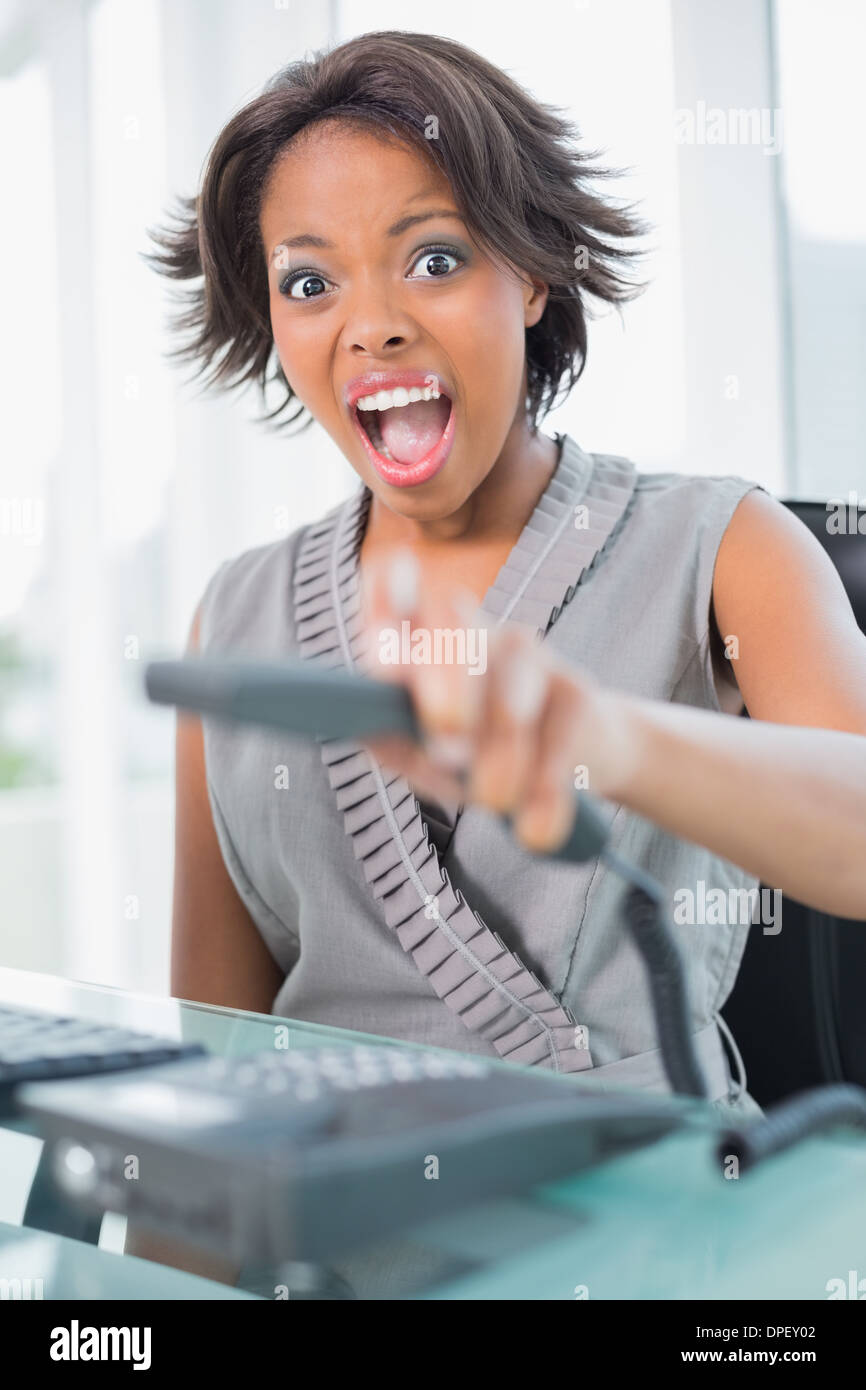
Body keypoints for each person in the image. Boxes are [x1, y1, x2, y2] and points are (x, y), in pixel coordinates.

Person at [131, 31, 866, 1295]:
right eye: (309, 285)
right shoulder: (236, 613)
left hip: (646, 1240)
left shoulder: (724, 546)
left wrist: (616, 739)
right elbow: (219, 1066)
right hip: (332, 1250)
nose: (371, 325)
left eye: (433, 258)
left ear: (529, 276)